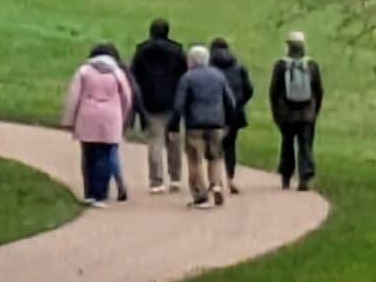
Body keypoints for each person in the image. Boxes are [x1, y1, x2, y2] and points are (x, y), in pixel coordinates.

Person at [62, 45, 136, 206]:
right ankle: (100, 194)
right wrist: (123, 117)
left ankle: (89, 192)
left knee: (88, 155)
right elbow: (127, 98)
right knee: (105, 155)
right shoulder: (117, 73)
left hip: (87, 115)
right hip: (110, 116)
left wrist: (69, 120)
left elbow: (73, 97)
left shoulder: (84, 71)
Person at [174, 41, 242, 207]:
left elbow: (179, 104)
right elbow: (230, 101)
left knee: (195, 159)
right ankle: (217, 184)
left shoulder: (187, 77)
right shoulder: (218, 75)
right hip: (216, 122)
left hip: (195, 124)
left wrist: (176, 122)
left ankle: (200, 195)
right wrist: (227, 120)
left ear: (192, 60)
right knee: (216, 156)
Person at [128, 19, 190, 193]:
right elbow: (184, 75)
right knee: (174, 139)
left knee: (155, 140)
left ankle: (157, 180)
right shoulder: (177, 51)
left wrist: (138, 104)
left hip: (150, 101)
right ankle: (175, 178)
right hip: (173, 101)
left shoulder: (141, 51)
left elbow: (134, 77)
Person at [268, 34, 324, 190]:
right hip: (307, 114)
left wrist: (276, 113)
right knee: (306, 146)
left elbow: (274, 91)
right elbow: (319, 91)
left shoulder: (281, 65)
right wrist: (315, 111)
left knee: (287, 145)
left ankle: (286, 176)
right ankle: (305, 177)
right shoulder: (312, 65)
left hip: (286, 115)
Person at [205, 37, 253, 186]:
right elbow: (249, 90)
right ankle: (230, 178)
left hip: (213, 112)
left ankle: (214, 180)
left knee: (213, 146)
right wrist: (239, 103)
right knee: (230, 146)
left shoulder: (208, 67)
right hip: (234, 113)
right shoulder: (239, 67)